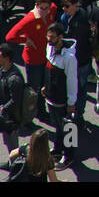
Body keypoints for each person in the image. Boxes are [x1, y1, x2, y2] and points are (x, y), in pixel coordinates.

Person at [5, 0, 56, 118]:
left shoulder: (51, 10)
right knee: (34, 89)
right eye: (41, 8)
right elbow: (10, 36)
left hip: (46, 57)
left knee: (45, 85)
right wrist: (25, 40)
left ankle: (41, 109)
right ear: (36, 6)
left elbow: (55, 5)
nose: (44, 11)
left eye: (46, 8)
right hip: (33, 60)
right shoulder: (30, 19)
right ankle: (33, 112)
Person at [43, 21, 77, 167]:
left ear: (61, 37)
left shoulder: (69, 58)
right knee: (57, 125)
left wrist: (71, 102)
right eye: (48, 36)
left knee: (68, 128)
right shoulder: (49, 47)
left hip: (62, 100)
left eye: (52, 37)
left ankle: (69, 156)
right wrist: (46, 86)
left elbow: (72, 81)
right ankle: (57, 150)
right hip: (51, 98)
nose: (48, 40)